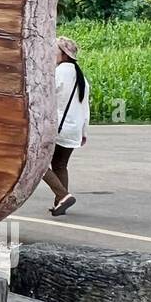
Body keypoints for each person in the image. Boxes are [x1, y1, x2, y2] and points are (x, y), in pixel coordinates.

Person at [43, 35, 89, 216]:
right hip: (74, 129)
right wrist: (84, 132)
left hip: (58, 128)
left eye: (55, 50)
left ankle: (63, 195)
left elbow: (45, 95)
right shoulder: (81, 76)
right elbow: (85, 108)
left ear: (63, 54)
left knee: (38, 166)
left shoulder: (60, 72)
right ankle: (59, 203)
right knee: (60, 165)